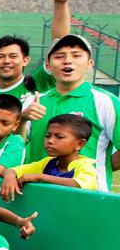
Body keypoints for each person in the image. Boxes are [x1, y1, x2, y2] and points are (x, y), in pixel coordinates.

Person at [22, 34, 120, 191]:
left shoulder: (105, 102)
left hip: (86, 196)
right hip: (37, 192)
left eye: (76, 55)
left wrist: (104, 165)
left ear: (90, 63)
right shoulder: (34, 101)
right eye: (59, 56)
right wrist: (22, 119)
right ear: (48, 65)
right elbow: (17, 144)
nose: (67, 60)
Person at [1, 113, 98, 198]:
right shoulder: (47, 162)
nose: (50, 141)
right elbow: (12, 170)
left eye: (59, 137)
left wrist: (40, 177)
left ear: (79, 144)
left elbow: (80, 185)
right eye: (47, 136)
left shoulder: (85, 166)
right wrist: (9, 177)